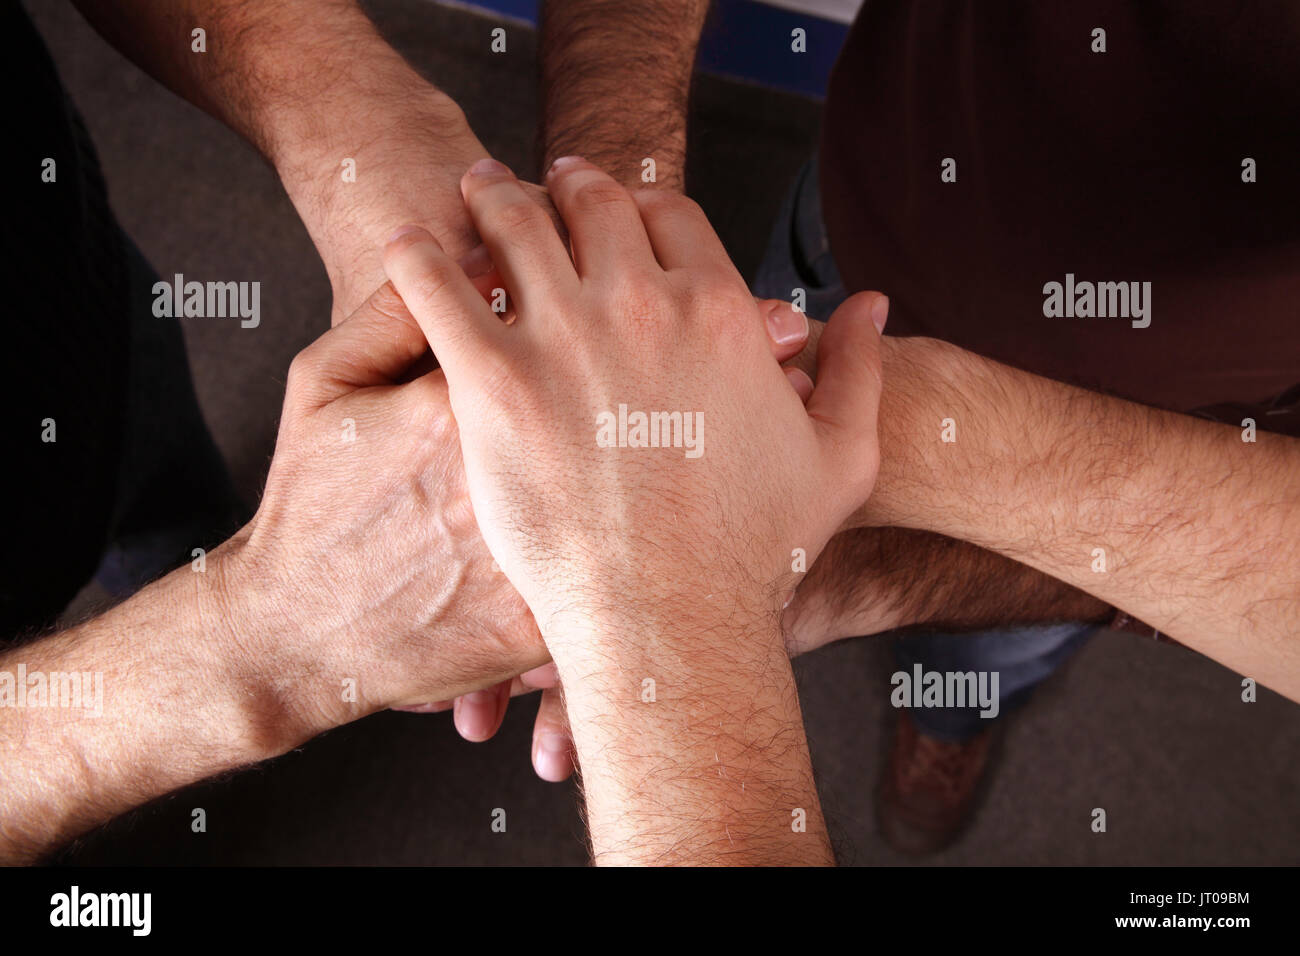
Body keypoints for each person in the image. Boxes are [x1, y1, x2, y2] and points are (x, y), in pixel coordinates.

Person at [464, 0, 1300, 854]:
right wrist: (611, 253)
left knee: (996, 643)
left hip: (1191, 423)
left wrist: (851, 565)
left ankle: (950, 718)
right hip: (865, 216)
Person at [0, 156, 880, 866]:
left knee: (142, 457)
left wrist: (364, 121)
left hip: (57, 284)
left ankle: (176, 545)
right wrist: (256, 633)